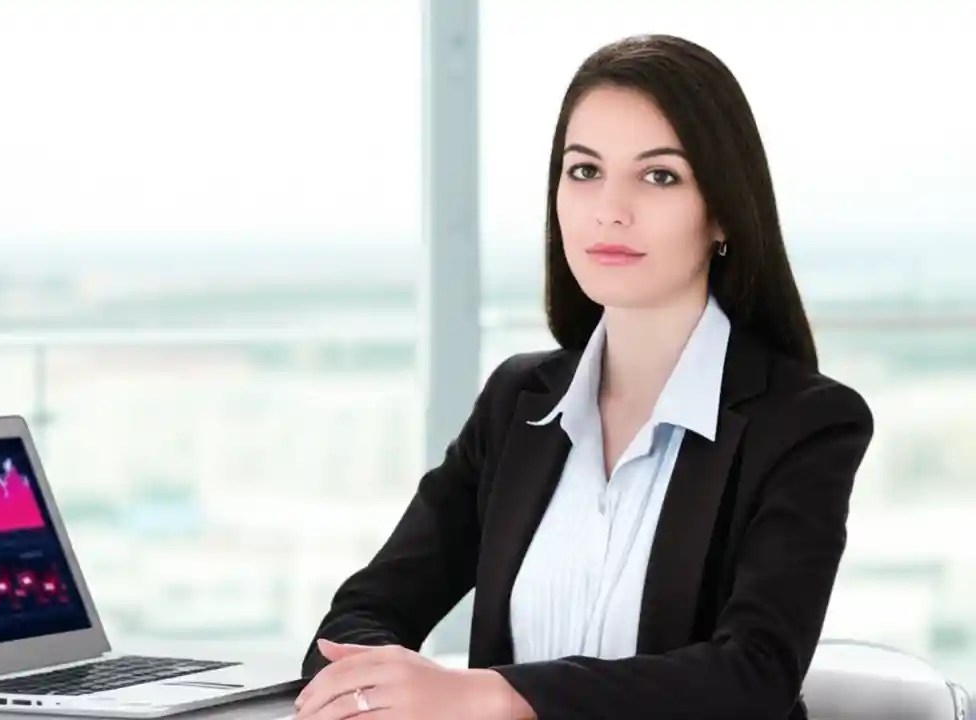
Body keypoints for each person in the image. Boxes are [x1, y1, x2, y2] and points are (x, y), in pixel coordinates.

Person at [293, 33, 874, 720]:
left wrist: (491, 695)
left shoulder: (806, 423)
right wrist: (376, 690)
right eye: (584, 171)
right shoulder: (518, 403)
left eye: (659, 176)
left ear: (720, 209)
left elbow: (751, 678)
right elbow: (358, 620)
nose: (609, 210)